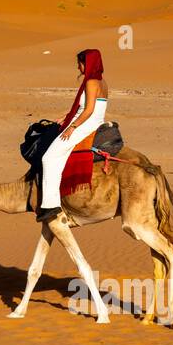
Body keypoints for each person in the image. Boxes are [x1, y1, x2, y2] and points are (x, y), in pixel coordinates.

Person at [37, 49, 108, 223]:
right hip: (87, 119)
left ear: (88, 63)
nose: (78, 66)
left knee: (48, 157)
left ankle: (50, 204)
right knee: (58, 155)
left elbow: (89, 110)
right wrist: (65, 118)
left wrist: (72, 127)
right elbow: (85, 107)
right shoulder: (101, 81)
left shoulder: (91, 82)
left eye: (80, 63)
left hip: (86, 123)